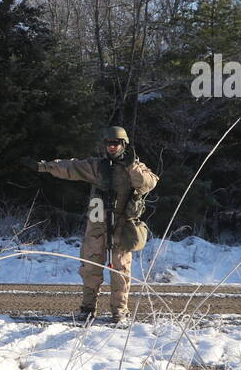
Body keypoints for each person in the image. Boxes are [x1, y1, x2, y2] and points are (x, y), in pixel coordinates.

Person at [30, 126, 158, 324]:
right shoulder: (97, 167)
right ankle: (87, 309)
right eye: (109, 143)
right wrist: (43, 166)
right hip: (97, 225)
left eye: (116, 143)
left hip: (122, 225)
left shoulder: (135, 167)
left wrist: (131, 165)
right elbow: (71, 168)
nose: (112, 147)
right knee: (90, 267)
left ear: (124, 145)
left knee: (120, 270)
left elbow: (147, 183)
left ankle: (120, 311)